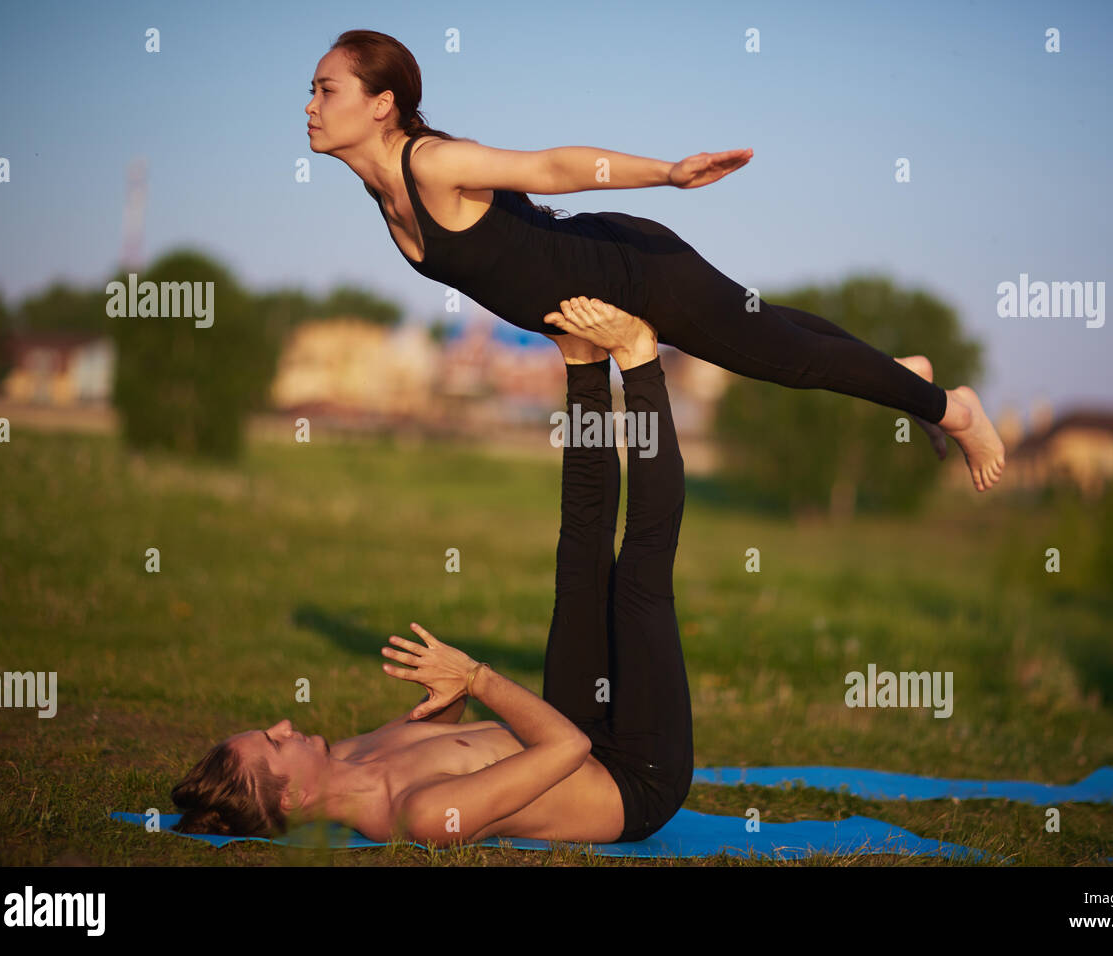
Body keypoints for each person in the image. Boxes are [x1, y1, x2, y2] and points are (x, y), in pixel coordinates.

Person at [306, 30, 1005, 492]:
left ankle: (953, 410)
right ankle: (901, 375)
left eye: (327, 89)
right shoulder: (385, 192)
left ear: (382, 104)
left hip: (637, 273)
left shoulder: (432, 165)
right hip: (617, 279)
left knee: (787, 359)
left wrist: (669, 172)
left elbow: (553, 165)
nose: (311, 105)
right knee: (776, 329)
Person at [171, 297, 691, 845]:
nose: (282, 726)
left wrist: (447, 691)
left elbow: (444, 734)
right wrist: (474, 676)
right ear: (292, 798)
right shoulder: (419, 814)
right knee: (639, 578)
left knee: (580, 557)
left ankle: (585, 364)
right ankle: (638, 357)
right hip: (633, 774)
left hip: (569, 720)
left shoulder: (350, 755)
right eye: (274, 744)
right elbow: (569, 751)